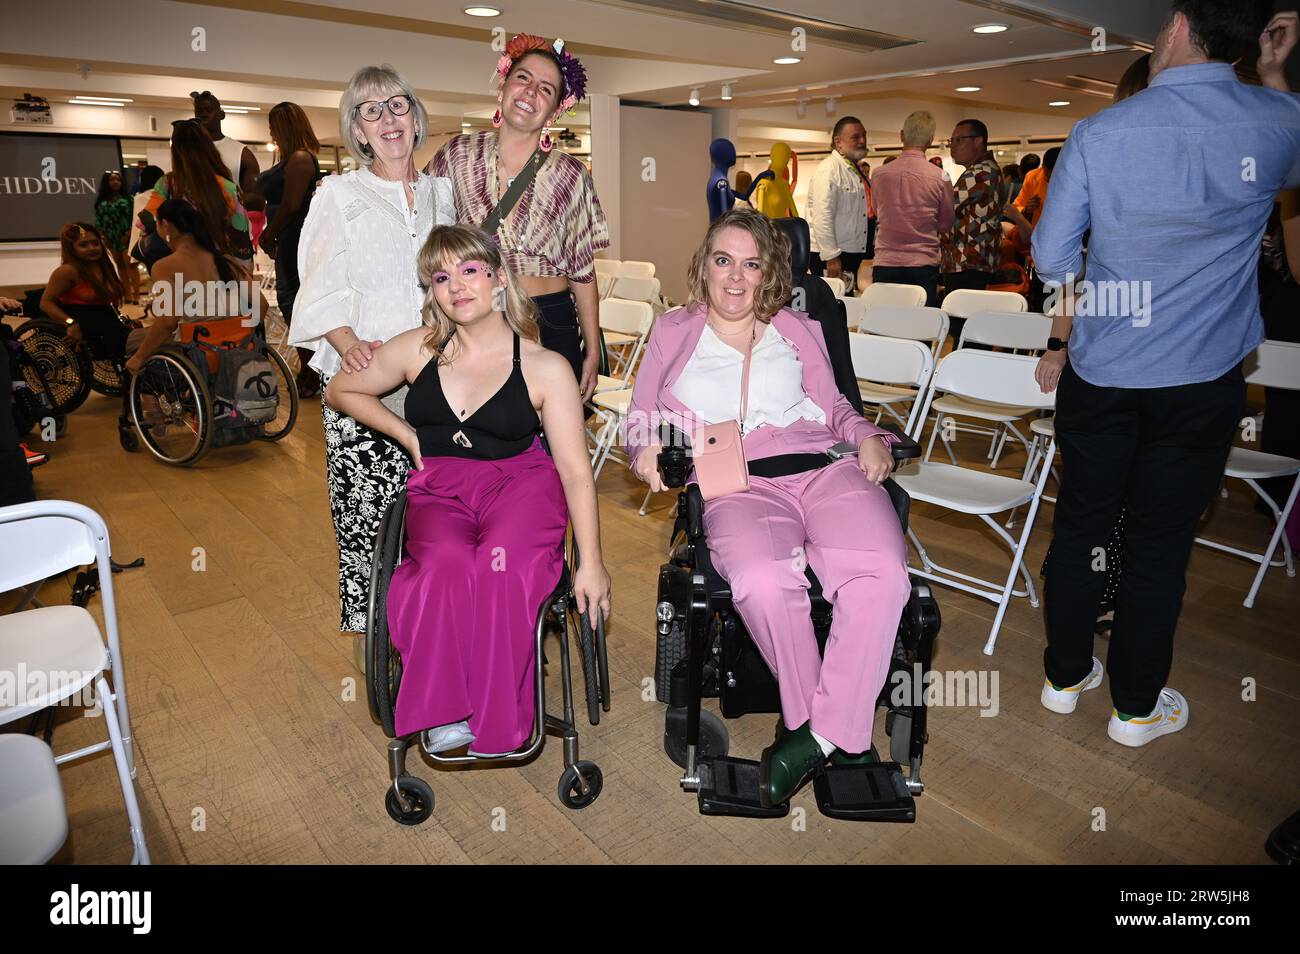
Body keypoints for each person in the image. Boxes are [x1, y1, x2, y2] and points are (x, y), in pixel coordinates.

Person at [1031, 0, 1300, 748]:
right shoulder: (1277, 121)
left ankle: (1062, 678)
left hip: (1106, 373)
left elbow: (1052, 262)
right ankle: (1135, 709)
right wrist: (1276, 77)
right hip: (1201, 381)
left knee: (1084, 524)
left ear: (1177, 26)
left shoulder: (1102, 132)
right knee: (1158, 546)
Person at [625, 208, 910, 807]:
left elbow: (836, 406)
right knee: (759, 579)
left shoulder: (797, 328)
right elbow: (642, 417)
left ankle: (813, 740)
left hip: (825, 469)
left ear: (770, 274)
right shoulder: (673, 330)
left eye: (751, 265)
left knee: (883, 575)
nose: (735, 278)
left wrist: (866, 436)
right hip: (736, 480)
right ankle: (833, 735)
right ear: (703, 268)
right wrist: (648, 447)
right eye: (722, 261)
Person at [325, 224, 610, 754]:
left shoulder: (546, 367)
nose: (456, 285)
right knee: (442, 568)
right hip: (442, 488)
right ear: (431, 291)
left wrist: (590, 562)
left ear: (499, 280)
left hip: (521, 484)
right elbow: (340, 389)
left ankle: (500, 718)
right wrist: (407, 434)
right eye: (440, 276)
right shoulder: (418, 350)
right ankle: (447, 710)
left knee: (503, 564)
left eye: (470, 270)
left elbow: (574, 472)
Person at [288, 65, 456, 666]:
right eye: (370, 111)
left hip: (439, 380)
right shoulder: (338, 195)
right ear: (356, 130)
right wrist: (345, 337)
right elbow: (317, 282)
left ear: (415, 115)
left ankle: (437, 647)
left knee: (436, 527)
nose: (387, 120)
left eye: (397, 105)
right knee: (370, 530)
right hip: (370, 385)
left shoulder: (444, 194)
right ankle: (385, 659)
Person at [429, 34, 608, 399]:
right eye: (523, 78)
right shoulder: (458, 155)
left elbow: (583, 269)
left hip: (549, 316)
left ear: (556, 109)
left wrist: (592, 348)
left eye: (546, 89)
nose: (530, 92)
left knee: (552, 437)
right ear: (504, 84)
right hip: (476, 313)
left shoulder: (571, 175)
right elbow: (419, 218)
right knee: (476, 426)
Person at [122, 199, 268, 375]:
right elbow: (261, 304)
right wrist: (242, 331)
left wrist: (139, 357)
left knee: (132, 343)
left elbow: (168, 322)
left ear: (165, 225)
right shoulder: (227, 261)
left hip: (197, 349)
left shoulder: (164, 266)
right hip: (238, 345)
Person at [255, 101, 324, 397]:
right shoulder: (291, 159)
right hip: (289, 239)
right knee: (293, 307)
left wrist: (268, 234)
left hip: (296, 240)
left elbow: (291, 205)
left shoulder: (299, 158)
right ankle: (308, 375)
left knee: (296, 307)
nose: (271, 131)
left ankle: (311, 377)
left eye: (273, 126)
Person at [143, 119, 253, 273]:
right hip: (218, 268)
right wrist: (245, 275)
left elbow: (146, 221)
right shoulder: (227, 187)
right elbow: (241, 236)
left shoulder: (167, 184)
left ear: (175, 151)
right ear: (209, 148)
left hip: (178, 269)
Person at [869, 110, 955, 306]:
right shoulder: (941, 176)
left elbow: (876, 210)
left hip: (886, 260)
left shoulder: (879, 174)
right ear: (931, 140)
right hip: (922, 262)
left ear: (902, 135)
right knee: (919, 327)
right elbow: (945, 223)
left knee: (884, 325)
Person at [939, 118, 1004, 340]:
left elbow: (945, 208)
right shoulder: (983, 170)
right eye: (952, 141)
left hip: (967, 262)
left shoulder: (981, 171)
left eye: (959, 140)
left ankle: (970, 370)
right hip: (970, 261)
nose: (953, 146)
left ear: (978, 141)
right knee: (970, 330)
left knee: (966, 331)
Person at [41, 222, 127, 361]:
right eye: (84, 245)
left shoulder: (105, 267)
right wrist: (70, 323)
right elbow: (45, 303)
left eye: (95, 243)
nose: (92, 248)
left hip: (110, 327)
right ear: (72, 249)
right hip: (89, 332)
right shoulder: (67, 271)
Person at [806, 117, 870, 288]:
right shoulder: (829, 170)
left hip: (848, 254)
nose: (862, 141)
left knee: (845, 306)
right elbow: (822, 216)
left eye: (864, 136)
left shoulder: (852, 170)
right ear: (838, 142)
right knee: (830, 308)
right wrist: (832, 257)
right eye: (855, 137)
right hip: (830, 256)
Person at [191, 90, 262, 211]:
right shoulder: (188, 150)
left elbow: (257, 199)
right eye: (199, 111)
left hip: (231, 223)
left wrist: (228, 201)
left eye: (208, 110)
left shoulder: (242, 153)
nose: (203, 115)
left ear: (222, 115)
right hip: (196, 223)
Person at [94, 171, 137, 304]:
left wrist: (129, 234)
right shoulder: (101, 200)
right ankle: (127, 294)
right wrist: (103, 235)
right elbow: (98, 220)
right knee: (120, 266)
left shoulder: (129, 199)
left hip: (127, 235)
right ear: (106, 182)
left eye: (118, 180)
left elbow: (135, 218)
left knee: (131, 265)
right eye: (112, 180)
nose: (115, 182)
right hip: (110, 236)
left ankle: (137, 295)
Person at [1013, 146, 1060, 229]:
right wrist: (1026, 209)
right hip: (1039, 232)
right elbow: (1017, 207)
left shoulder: (1077, 179)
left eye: (1056, 176)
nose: (1050, 180)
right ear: (1042, 167)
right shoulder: (1032, 177)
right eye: (1047, 176)